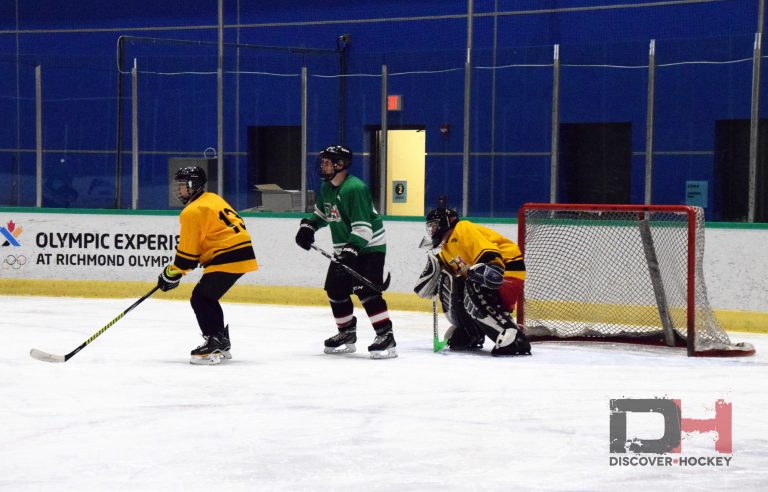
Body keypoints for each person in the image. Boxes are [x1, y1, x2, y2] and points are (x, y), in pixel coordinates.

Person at [294, 145, 397, 359]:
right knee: (335, 289)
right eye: (322, 161)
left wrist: (351, 251)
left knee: (367, 291)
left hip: (369, 247)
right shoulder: (327, 188)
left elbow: (363, 228)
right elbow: (323, 214)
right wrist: (309, 226)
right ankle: (347, 333)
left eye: (327, 162)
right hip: (346, 249)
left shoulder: (355, 188)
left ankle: (386, 335)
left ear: (340, 165)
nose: (322, 166)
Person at [157, 166, 258, 365]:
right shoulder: (212, 198)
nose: (178, 189)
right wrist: (179, 270)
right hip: (241, 252)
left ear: (193, 185)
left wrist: (171, 273)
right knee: (207, 297)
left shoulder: (192, 211)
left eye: (182, 185)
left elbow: (187, 257)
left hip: (228, 254)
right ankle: (220, 339)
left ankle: (213, 340)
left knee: (201, 298)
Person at [414, 205, 531, 356]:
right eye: (430, 227)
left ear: (446, 222)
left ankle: (511, 335)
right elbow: (442, 272)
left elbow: (489, 254)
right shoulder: (447, 248)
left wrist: (490, 269)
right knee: (452, 281)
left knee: (475, 278)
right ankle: (470, 331)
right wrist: (433, 281)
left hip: (507, 273)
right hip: (493, 278)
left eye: (434, 226)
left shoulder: (463, 228)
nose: (432, 231)